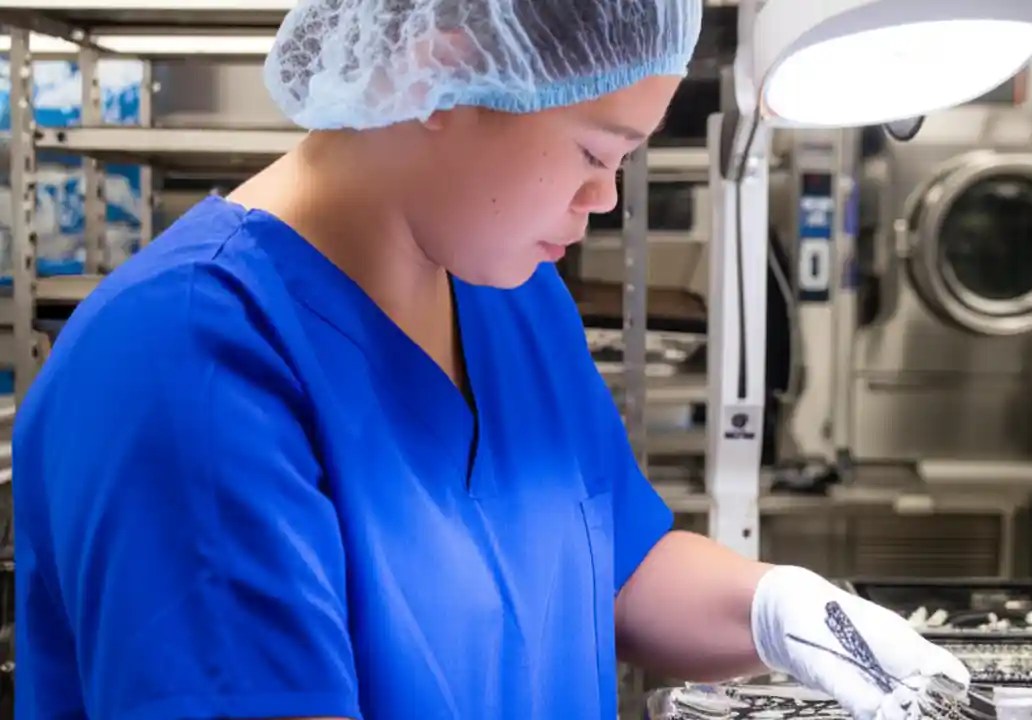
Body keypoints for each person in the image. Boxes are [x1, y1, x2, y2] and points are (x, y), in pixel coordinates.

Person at [13, 1, 970, 718]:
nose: (607, 198)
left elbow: (612, 564)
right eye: (596, 150)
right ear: (440, 72)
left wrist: (777, 610)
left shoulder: (510, 293)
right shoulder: (190, 364)